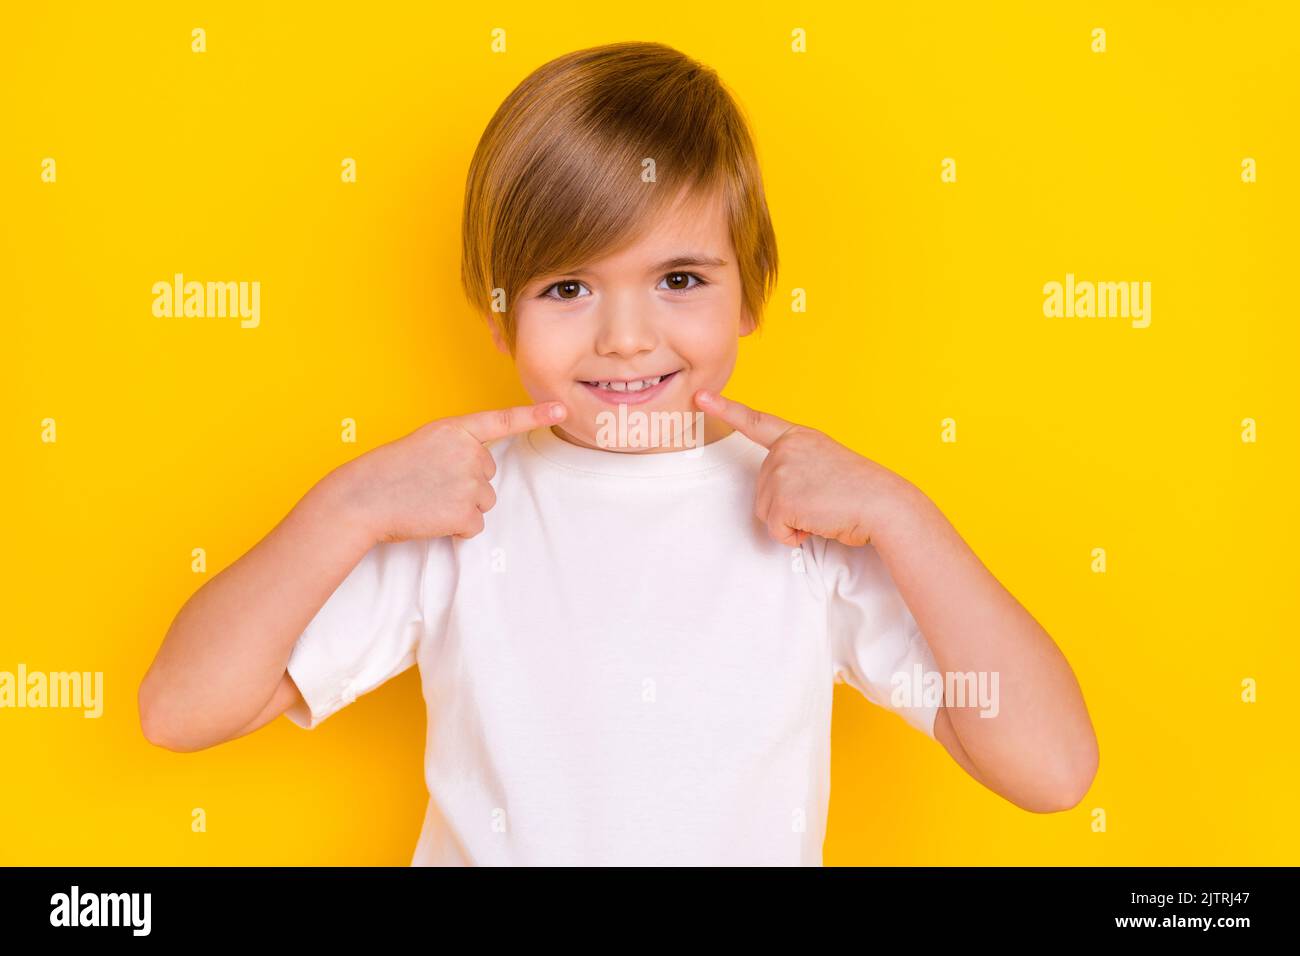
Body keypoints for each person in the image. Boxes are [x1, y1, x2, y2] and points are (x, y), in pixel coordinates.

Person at [139, 40, 1098, 866]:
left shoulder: (806, 521)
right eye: (567, 288)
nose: (627, 337)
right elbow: (180, 711)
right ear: (499, 318)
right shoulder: (456, 510)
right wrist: (343, 508)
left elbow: (1052, 770)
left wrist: (904, 515)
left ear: (751, 294)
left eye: (679, 277)